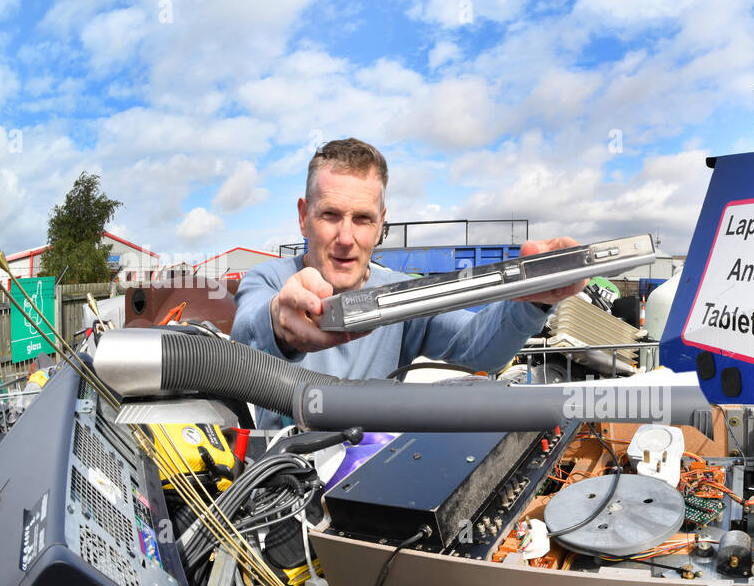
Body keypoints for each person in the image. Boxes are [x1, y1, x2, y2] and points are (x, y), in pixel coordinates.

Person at [231, 138, 581, 427]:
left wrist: (533, 303)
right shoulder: (269, 279)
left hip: (369, 476)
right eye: (330, 215)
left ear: (381, 223)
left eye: (363, 219)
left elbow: (478, 349)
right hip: (283, 482)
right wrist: (279, 322)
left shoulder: (400, 296)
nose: (346, 238)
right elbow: (245, 331)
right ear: (303, 217)